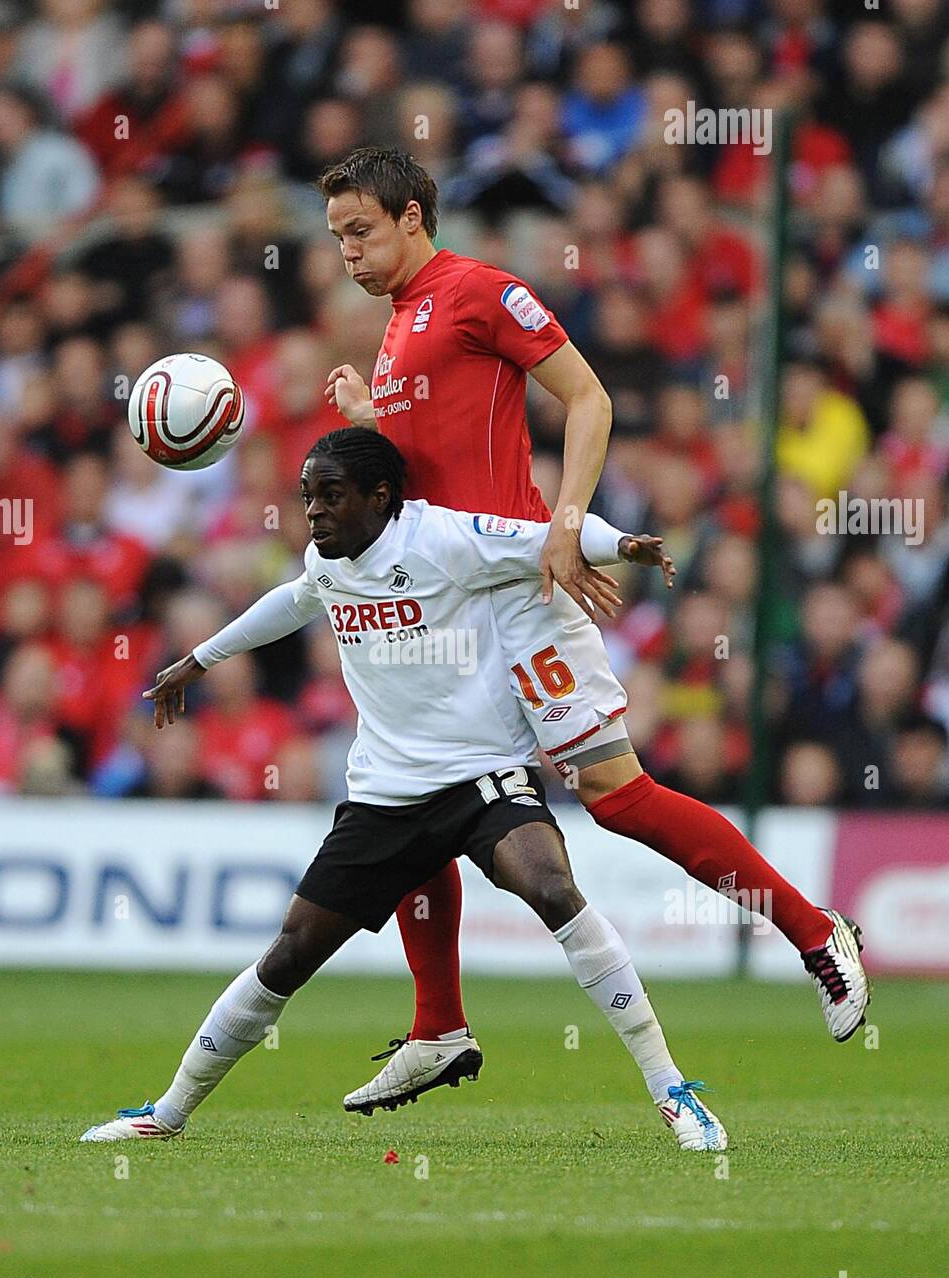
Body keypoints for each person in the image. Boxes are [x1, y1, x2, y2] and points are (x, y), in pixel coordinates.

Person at [317, 147, 868, 1113]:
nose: (348, 254)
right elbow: (428, 483)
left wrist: (567, 521)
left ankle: (814, 931)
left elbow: (588, 397)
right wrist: (371, 419)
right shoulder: (396, 330)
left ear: (412, 217)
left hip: (521, 591)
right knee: (411, 809)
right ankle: (437, 1026)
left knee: (614, 793)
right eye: (336, 239)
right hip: (447, 610)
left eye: (361, 231)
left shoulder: (482, 292)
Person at [80, 427, 727, 1152]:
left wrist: (622, 545)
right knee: (289, 955)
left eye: (331, 497)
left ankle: (671, 1092)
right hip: (384, 797)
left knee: (552, 891)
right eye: (307, 499)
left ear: (379, 497)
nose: (315, 513)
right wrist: (197, 660)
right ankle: (165, 1112)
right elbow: (293, 601)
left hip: (482, 775)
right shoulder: (326, 564)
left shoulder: (444, 539)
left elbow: (542, 536)